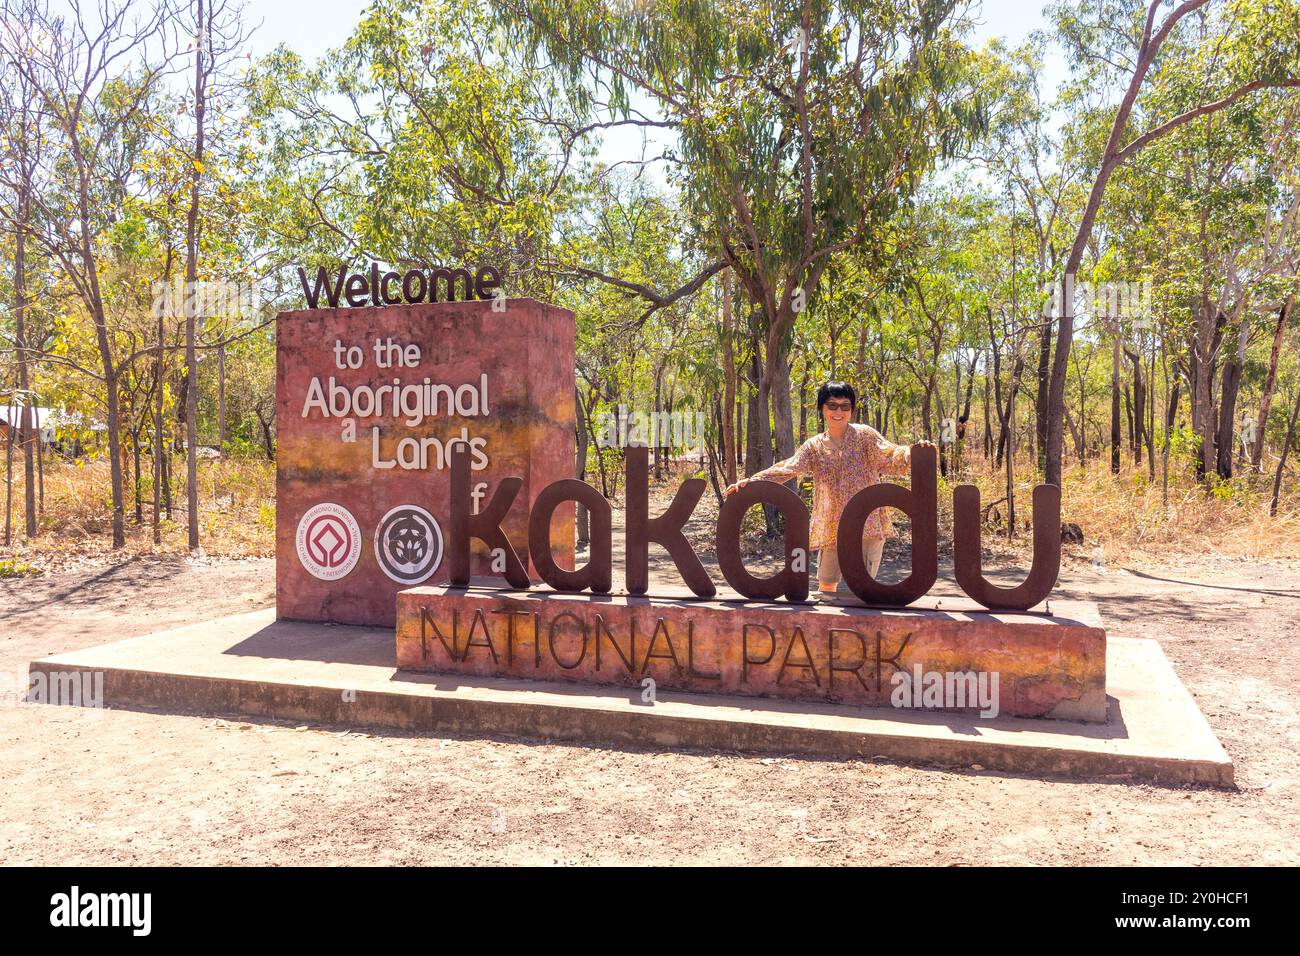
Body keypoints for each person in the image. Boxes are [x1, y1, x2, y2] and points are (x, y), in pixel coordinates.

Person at [725, 382, 935, 597]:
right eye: (832, 405)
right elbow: (788, 468)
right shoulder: (814, 447)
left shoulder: (865, 437)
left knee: (861, 592)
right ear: (822, 409)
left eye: (845, 406)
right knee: (826, 588)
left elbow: (891, 455)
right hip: (832, 525)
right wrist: (752, 482)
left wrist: (912, 452)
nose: (839, 411)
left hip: (867, 524)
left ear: (851, 410)